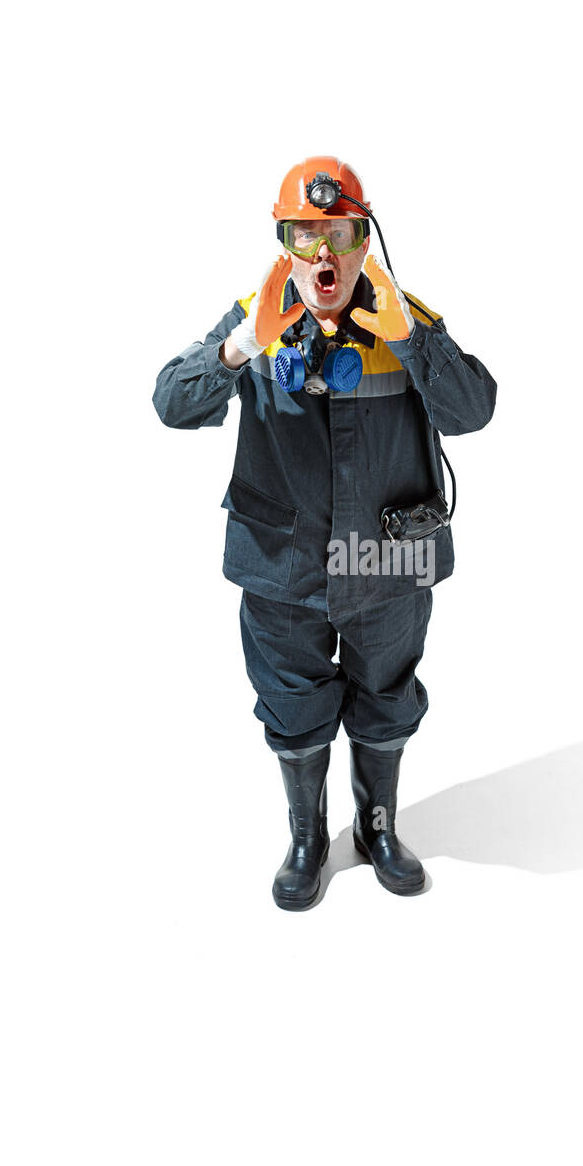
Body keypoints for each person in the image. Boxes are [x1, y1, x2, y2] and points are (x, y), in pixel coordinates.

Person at [153, 156, 496, 909]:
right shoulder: (255, 316)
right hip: (284, 567)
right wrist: (241, 344)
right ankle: (308, 837)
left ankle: (376, 828)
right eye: (303, 234)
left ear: (363, 239)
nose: (322, 255)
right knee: (291, 702)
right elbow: (172, 403)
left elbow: (473, 411)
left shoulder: (409, 320)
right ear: (282, 243)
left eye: (337, 233)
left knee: (387, 696)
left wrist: (411, 340)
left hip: (386, 562)